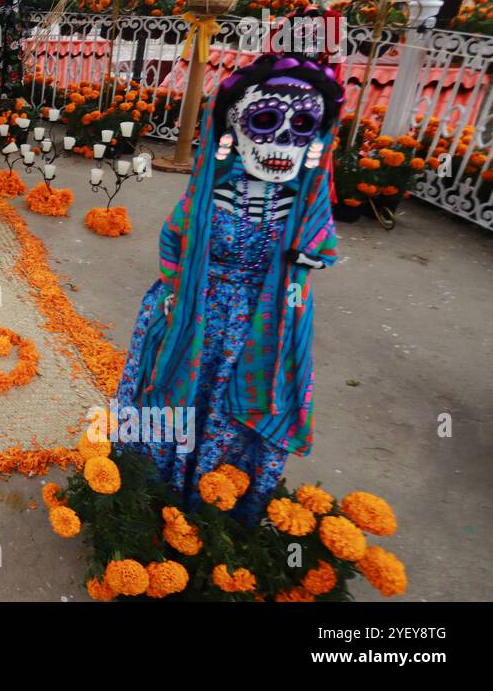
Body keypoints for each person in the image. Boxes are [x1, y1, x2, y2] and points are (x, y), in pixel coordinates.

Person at [114, 51, 344, 522]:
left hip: (264, 322)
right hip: (193, 312)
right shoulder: (205, 195)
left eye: (301, 126)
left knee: (228, 407)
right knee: (176, 392)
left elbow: (320, 244)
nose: (282, 142)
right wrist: (176, 295)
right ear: (233, 130)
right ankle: (149, 496)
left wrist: (306, 256)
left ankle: (215, 508)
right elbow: (174, 241)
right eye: (263, 120)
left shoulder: (305, 204)